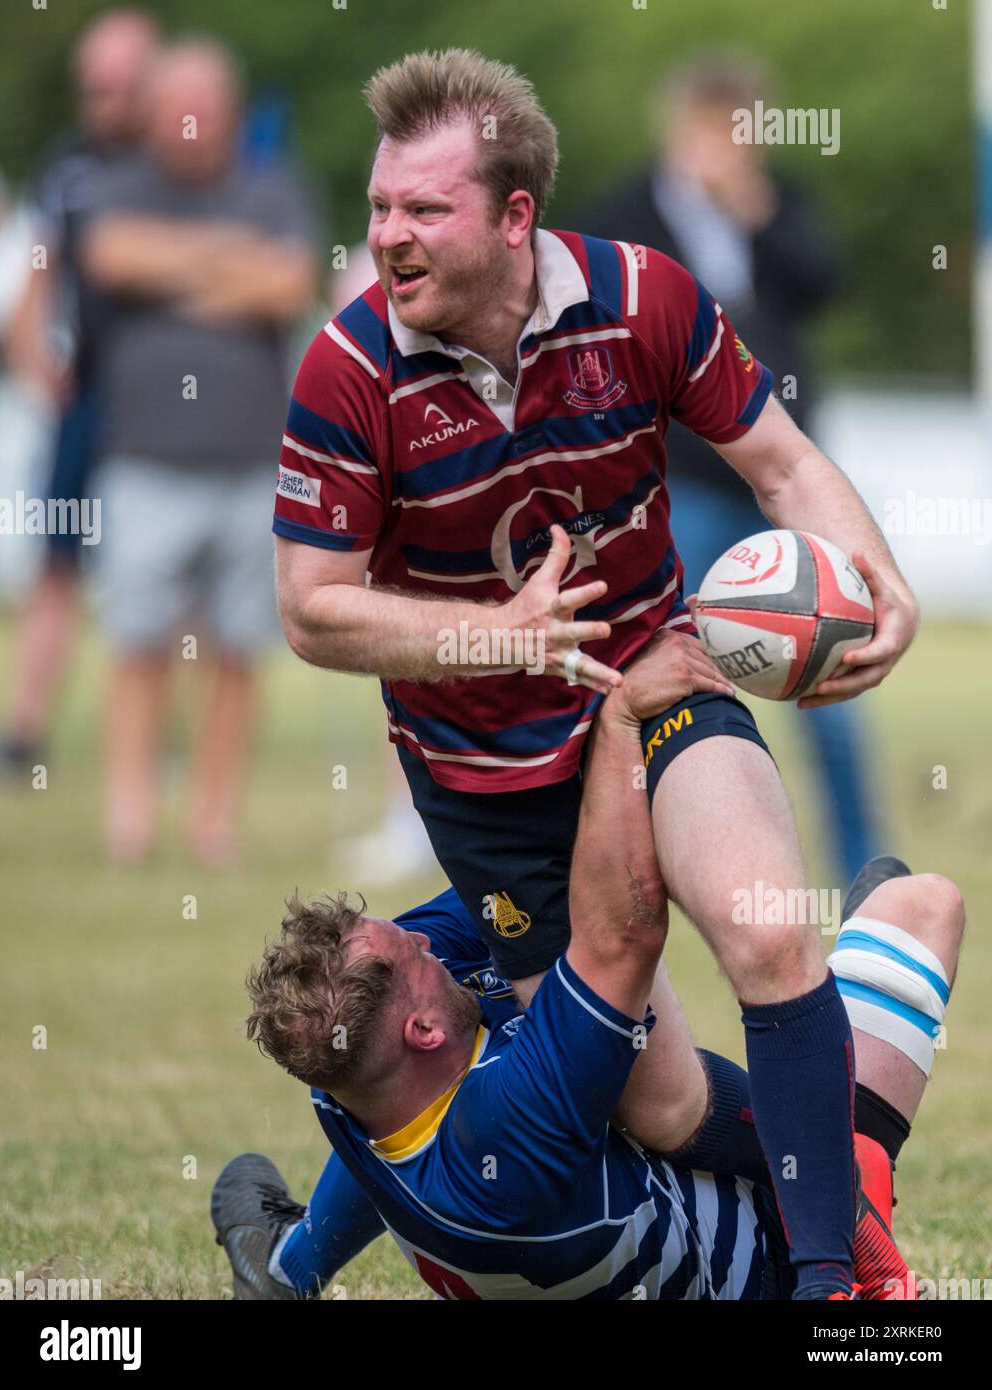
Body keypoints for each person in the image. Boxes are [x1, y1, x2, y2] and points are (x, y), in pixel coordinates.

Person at [271, 48, 920, 1297]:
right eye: (378, 208)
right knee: (666, 1103)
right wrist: (497, 637)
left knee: (768, 936)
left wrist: (874, 578)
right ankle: (854, 1175)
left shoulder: (643, 296)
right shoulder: (347, 374)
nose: (386, 239)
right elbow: (311, 611)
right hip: (489, 778)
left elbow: (780, 460)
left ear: (516, 217)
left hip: (664, 677)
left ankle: (835, 1288)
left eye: (422, 211)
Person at [213, 635, 963, 1301]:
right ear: (423, 1029)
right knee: (923, 909)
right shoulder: (507, 1128)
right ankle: (841, 1258)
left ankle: (289, 1267)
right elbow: (618, 930)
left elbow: (517, 895)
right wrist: (622, 719)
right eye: (416, 955)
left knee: (503, 978)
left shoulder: (342, 1076)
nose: (429, 941)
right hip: (765, 1260)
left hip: (484, 1176)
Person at [573, 54, 879, 885]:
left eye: (742, 131)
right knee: (669, 668)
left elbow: (826, 285)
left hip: (782, 485)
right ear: (679, 130)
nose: (726, 147)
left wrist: (757, 214)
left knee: (833, 669)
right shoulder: (625, 216)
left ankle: (862, 865)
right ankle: (663, 863)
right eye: (712, 128)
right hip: (682, 486)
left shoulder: (776, 207)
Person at [79, 37, 319, 864]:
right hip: (144, 456)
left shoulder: (273, 186)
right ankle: (131, 816)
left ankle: (214, 822)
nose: (191, 123)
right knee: (138, 642)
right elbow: (111, 254)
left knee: (237, 648)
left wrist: (170, 273)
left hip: (253, 461)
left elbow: (288, 284)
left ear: (231, 111)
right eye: (178, 106)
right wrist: (229, 261)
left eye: (207, 107)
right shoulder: (113, 182)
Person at [0, 8, 160, 774]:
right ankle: (25, 730)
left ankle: (161, 742)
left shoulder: (177, 163)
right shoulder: (66, 168)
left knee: (167, 568)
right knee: (55, 562)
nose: (105, 103)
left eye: (120, 87)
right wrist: (37, 370)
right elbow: (36, 274)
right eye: (94, 88)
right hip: (87, 399)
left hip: (165, 403)